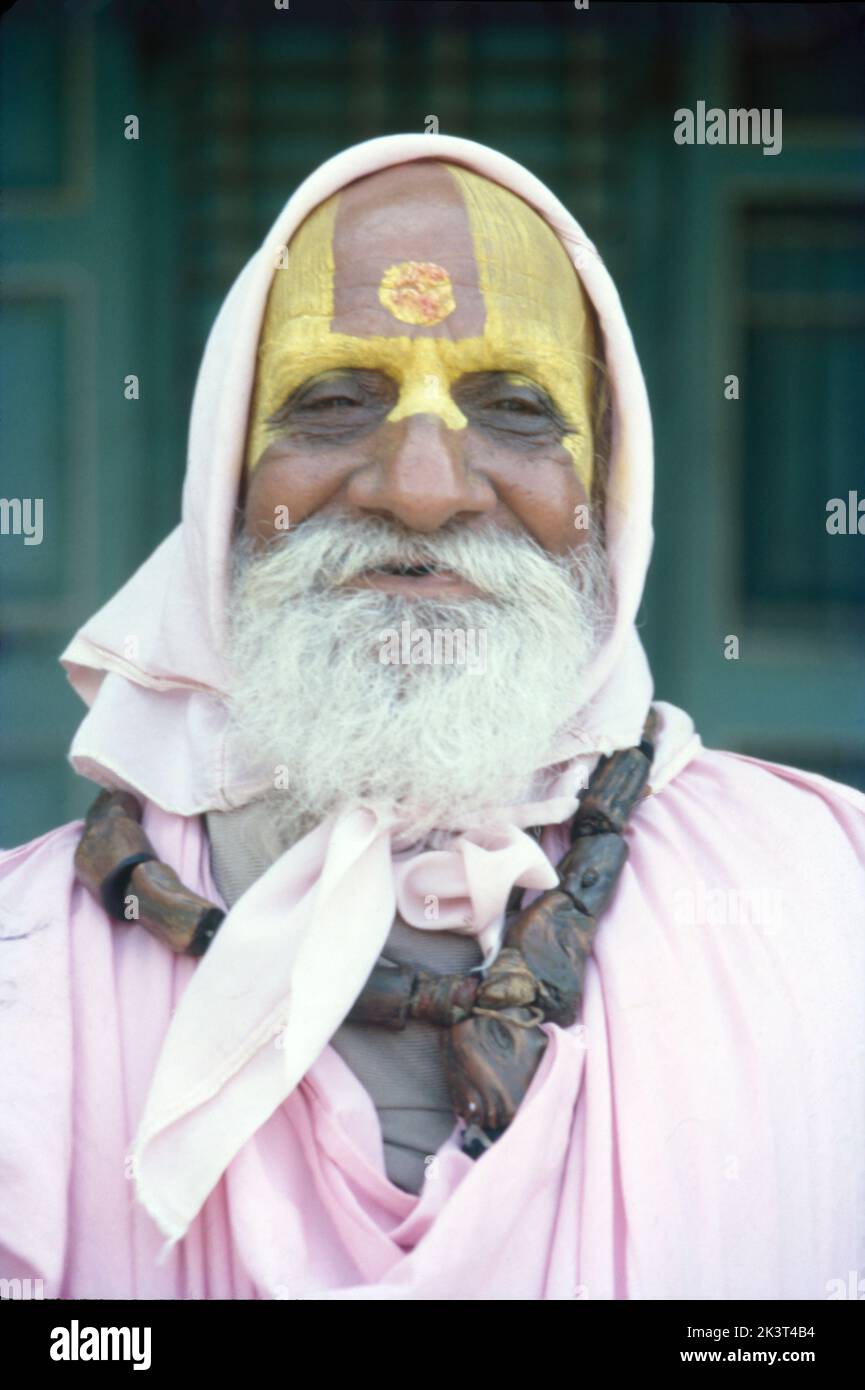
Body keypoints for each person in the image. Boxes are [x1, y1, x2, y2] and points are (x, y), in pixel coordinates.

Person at [1, 133, 863, 1301]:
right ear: (228, 483)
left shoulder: (829, 891)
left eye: (513, 407)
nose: (421, 487)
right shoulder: (25, 974)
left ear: (606, 490)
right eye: (333, 400)